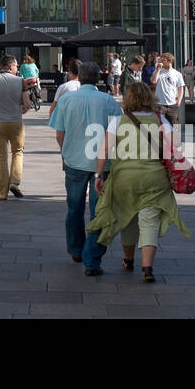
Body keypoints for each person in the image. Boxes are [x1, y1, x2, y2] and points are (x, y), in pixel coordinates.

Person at [88, 79, 191, 282]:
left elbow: (105, 150)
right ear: (149, 97)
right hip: (154, 179)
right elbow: (176, 148)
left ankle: (128, 259)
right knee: (149, 222)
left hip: (124, 179)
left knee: (127, 218)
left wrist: (99, 176)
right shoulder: (161, 120)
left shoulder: (118, 121)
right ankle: (147, 268)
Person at [50, 61, 124, 274]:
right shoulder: (109, 101)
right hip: (103, 163)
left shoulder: (66, 100)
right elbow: (115, 136)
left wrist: (66, 152)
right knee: (98, 211)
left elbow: (59, 133)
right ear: (99, 78)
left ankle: (75, 249)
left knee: (74, 207)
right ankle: (92, 259)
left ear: (78, 78)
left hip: (74, 160)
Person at [0, 55, 29, 200]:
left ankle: (3, 193)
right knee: (18, 152)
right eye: (16, 66)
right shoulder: (21, 81)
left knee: (1, 157)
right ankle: (14, 182)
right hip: (15, 123)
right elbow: (27, 104)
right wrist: (22, 108)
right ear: (10, 67)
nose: (17, 69)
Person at [152, 54, 185, 125]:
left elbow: (180, 89)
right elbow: (153, 81)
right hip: (159, 104)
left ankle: (175, 136)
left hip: (172, 105)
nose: (161, 62)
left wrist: (179, 101)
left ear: (170, 61)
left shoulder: (177, 74)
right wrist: (158, 70)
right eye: (160, 60)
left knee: (175, 126)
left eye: (163, 60)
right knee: (158, 126)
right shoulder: (158, 71)